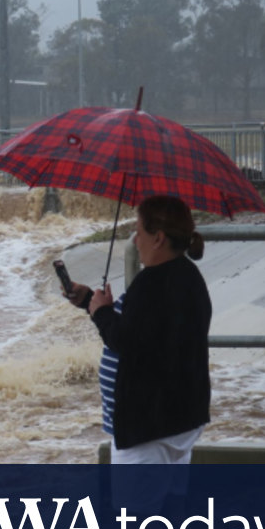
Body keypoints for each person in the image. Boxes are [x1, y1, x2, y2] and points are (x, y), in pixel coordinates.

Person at [64, 195, 212, 464]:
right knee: (170, 505)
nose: (135, 240)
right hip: (178, 418)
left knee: (135, 508)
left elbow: (127, 341)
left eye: (139, 231)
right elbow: (148, 330)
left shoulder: (153, 285)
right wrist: (90, 302)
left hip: (149, 426)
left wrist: (102, 313)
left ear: (158, 239)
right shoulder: (186, 276)